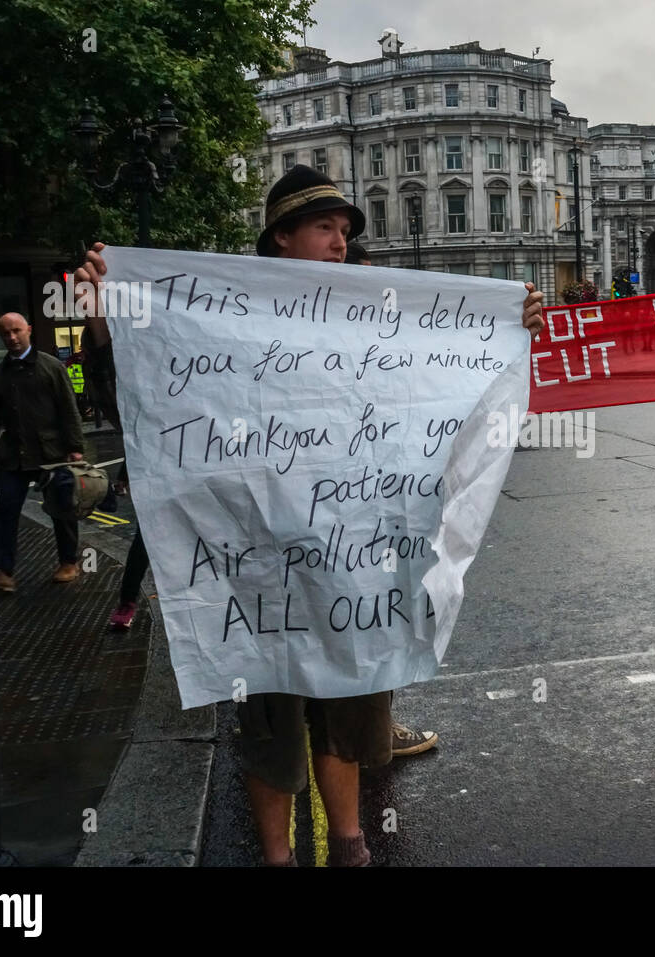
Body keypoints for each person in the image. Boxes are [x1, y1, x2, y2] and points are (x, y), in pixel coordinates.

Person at [74, 165, 545, 866]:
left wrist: (509, 324)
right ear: (281, 237)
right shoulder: (227, 310)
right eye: (324, 227)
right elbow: (147, 380)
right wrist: (104, 311)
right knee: (270, 726)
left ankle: (350, 842)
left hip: (355, 566)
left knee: (350, 708)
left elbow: (438, 390)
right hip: (260, 574)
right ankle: (277, 857)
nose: (339, 241)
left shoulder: (373, 308)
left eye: (346, 230)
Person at [341, 237, 438, 759]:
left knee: (373, 622)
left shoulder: (383, 333)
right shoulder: (273, 314)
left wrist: (513, 328)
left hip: (370, 514)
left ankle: (376, 733)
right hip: (311, 522)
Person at [0, 312, 87, 590]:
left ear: (29, 330)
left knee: (62, 508)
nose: (12, 338)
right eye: (5, 333)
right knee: (4, 510)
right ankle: (3, 570)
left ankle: (69, 562)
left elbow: (68, 409)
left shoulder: (51, 367)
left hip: (51, 453)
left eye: (16, 331)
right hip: (13, 455)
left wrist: (75, 448)